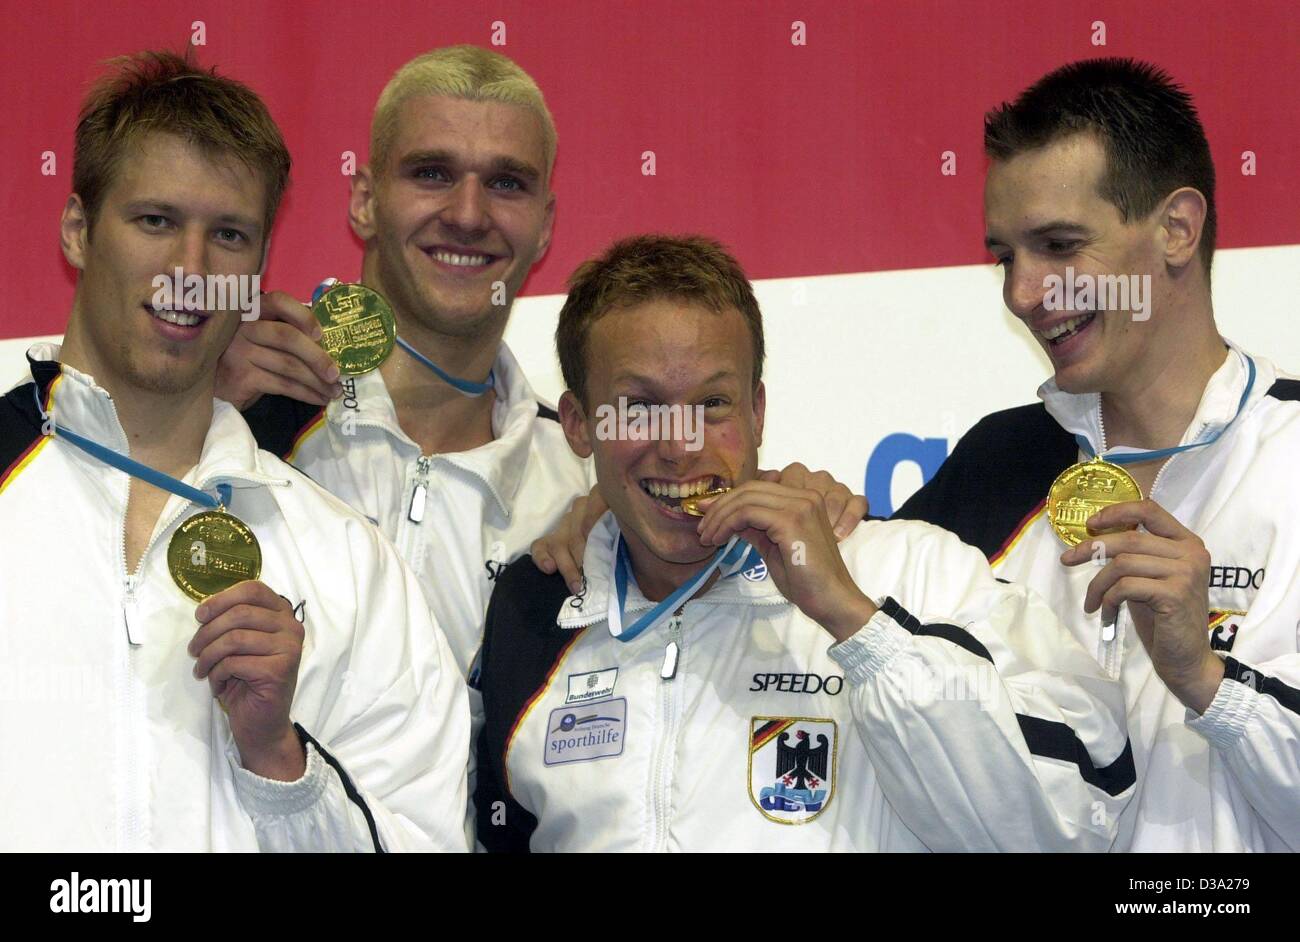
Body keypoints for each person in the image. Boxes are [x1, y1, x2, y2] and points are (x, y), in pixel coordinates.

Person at [473, 234, 1135, 852]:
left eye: (712, 404)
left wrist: (858, 624)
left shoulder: (907, 569)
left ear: (757, 411)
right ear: (578, 425)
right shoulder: (535, 611)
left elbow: (1075, 816)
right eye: (639, 408)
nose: (679, 446)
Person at [219, 45, 865, 677]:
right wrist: (193, 403)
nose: (468, 215)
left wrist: (802, 502)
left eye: (506, 183)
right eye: (432, 173)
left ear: (546, 224)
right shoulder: (241, 396)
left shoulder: (595, 480)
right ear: (365, 199)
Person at [0, 50, 468, 852]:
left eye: (228, 235)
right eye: (155, 221)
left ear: (257, 266)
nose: (190, 269)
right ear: (78, 230)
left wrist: (280, 762)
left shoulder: (348, 563)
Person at [896, 58, 1300, 851]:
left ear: (1177, 228)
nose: (1023, 293)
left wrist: (1207, 681)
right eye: (1006, 256)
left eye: (1059, 245)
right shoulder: (996, 464)